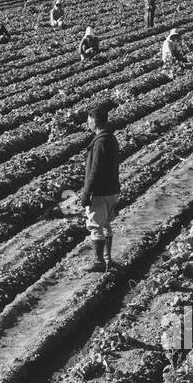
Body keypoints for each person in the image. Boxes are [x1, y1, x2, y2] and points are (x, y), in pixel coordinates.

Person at [78, 103, 120, 271]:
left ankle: (98, 262)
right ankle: (108, 259)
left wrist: (87, 191)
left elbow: (95, 170)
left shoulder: (101, 142)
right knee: (107, 223)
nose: (88, 123)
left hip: (100, 191)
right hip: (112, 189)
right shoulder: (110, 138)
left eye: (89, 120)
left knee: (95, 224)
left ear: (94, 121)